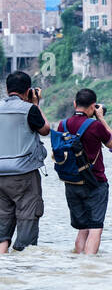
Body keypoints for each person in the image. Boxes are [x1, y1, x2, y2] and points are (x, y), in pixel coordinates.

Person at [60, 88, 112, 255]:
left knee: (82, 228)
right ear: (93, 106)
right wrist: (101, 118)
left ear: (75, 104)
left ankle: (78, 266)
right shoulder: (95, 126)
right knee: (95, 228)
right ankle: (89, 265)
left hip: (71, 182)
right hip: (95, 182)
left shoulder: (62, 124)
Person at [0, 71, 50, 253]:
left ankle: (4, 266)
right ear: (28, 90)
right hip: (24, 174)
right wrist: (36, 104)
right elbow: (45, 130)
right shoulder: (29, 109)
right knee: (28, 219)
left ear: (6, 89)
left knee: (2, 229)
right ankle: (22, 269)